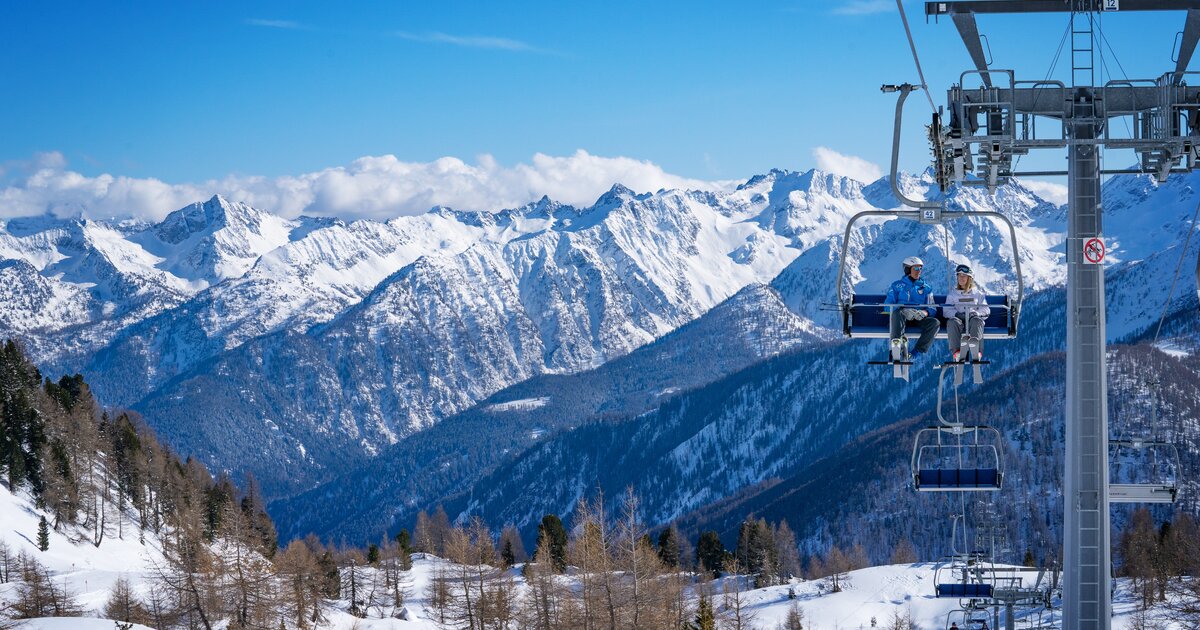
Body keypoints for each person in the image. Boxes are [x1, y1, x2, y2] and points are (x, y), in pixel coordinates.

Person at [884, 255, 939, 360]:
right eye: (916, 268)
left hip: (918, 318)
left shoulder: (926, 288)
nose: (919, 271)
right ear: (908, 269)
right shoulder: (897, 286)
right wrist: (903, 310)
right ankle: (896, 346)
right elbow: (887, 307)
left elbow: (932, 308)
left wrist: (924, 313)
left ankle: (915, 353)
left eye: (921, 268)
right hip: (900, 319)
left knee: (935, 323)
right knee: (897, 313)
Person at [943, 263, 990, 362]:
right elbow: (946, 311)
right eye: (959, 275)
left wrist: (975, 313)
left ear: (970, 278)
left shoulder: (977, 294)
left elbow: (986, 310)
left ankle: (976, 351)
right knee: (952, 322)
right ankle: (957, 352)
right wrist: (956, 314)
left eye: (964, 276)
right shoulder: (953, 295)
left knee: (977, 321)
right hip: (959, 321)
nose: (961, 278)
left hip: (972, 320)